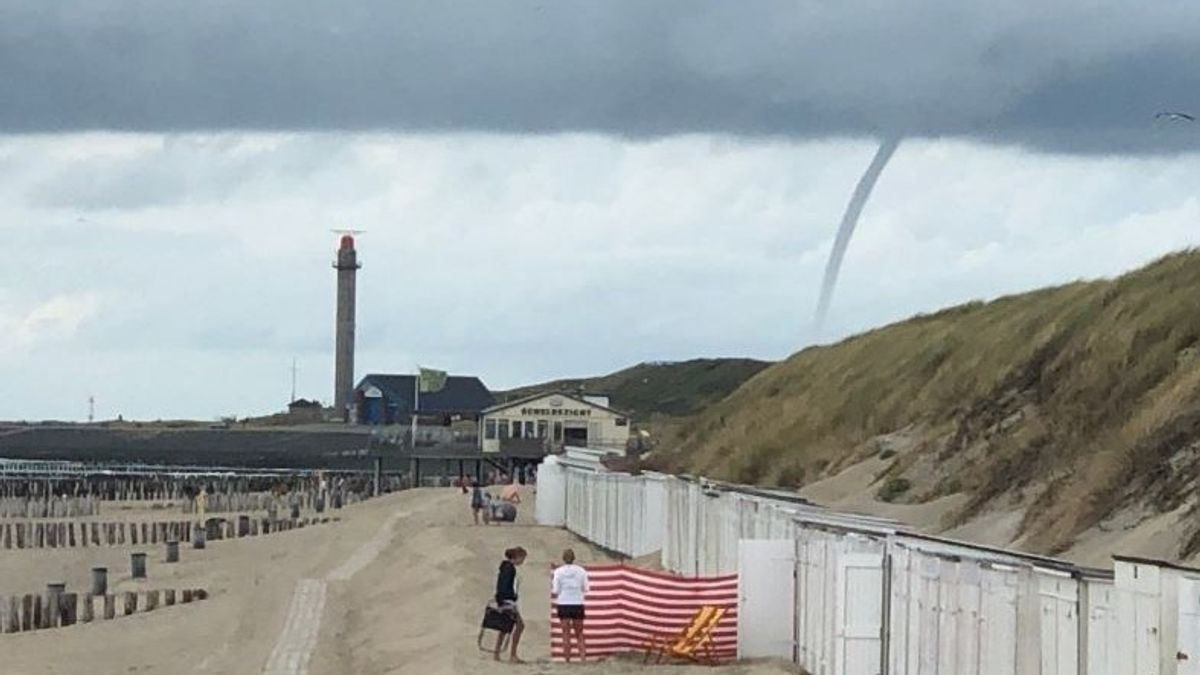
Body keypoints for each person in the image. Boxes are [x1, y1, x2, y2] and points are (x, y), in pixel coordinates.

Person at [552, 549, 589, 662]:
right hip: (577, 603)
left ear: (563, 558)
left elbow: (556, 590)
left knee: (566, 633)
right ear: (574, 558)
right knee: (579, 633)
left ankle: (567, 659)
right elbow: (586, 588)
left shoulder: (558, 572)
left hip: (564, 604)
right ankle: (583, 658)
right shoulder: (581, 571)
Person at [494, 547, 527, 662]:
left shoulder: (504, 567)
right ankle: (513, 655)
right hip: (507, 601)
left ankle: (497, 653)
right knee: (520, 626)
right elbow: (505, 586)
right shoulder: (510, 568)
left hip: (502, 600)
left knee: (505, 627)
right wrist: (512, 597)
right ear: (517, 557)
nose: (522, 561)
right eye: (522, 558)